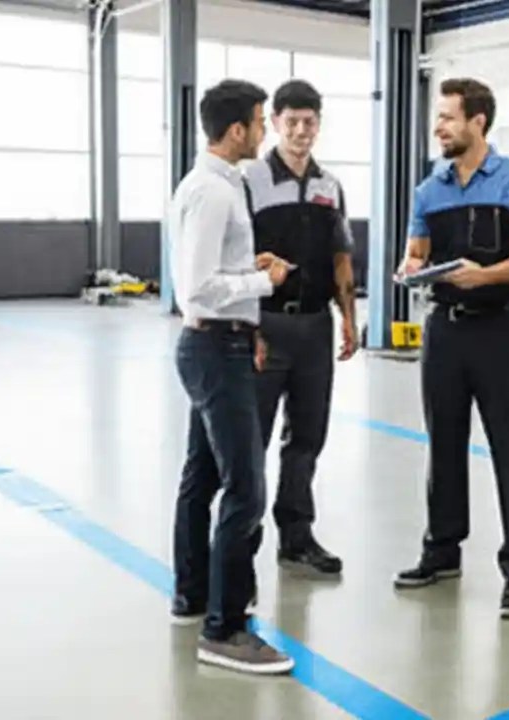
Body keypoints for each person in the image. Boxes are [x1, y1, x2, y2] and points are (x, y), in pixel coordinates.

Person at [393, 77, 509, 620]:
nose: (439, 126)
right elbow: (417, 252)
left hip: (499, 331)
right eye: (438, 118)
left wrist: (486, 277)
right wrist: (411, 268)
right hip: (444, 331)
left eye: (447, 117)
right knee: (443, 445)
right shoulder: (428, 189)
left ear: (478, 122)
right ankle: (441, 552)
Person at [168, 78, 295, 675]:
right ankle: (224, 630)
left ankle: (193, 595)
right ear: (237, 130)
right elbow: (195, 287)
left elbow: (214, 270)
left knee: (202, 476)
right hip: (217, 349)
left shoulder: (214, 185)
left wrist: (249, 268)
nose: (266, 130)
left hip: (214, 344)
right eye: (261, 121)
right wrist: (262, 283)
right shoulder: (215, 192)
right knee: (245, 487)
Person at [241, 79, 358, 576]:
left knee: (307, 436)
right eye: (291, 121)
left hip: (316, 328)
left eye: (309, 122)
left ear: (319, 124)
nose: (301, 131)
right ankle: (241, 542)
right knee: (253, 440)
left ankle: (297, 535)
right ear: (273, 123)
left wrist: (349, 318)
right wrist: (247, 326)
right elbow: (233, 257)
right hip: (265, 323)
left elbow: (340, 257)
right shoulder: (249, 180)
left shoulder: (330, 187)